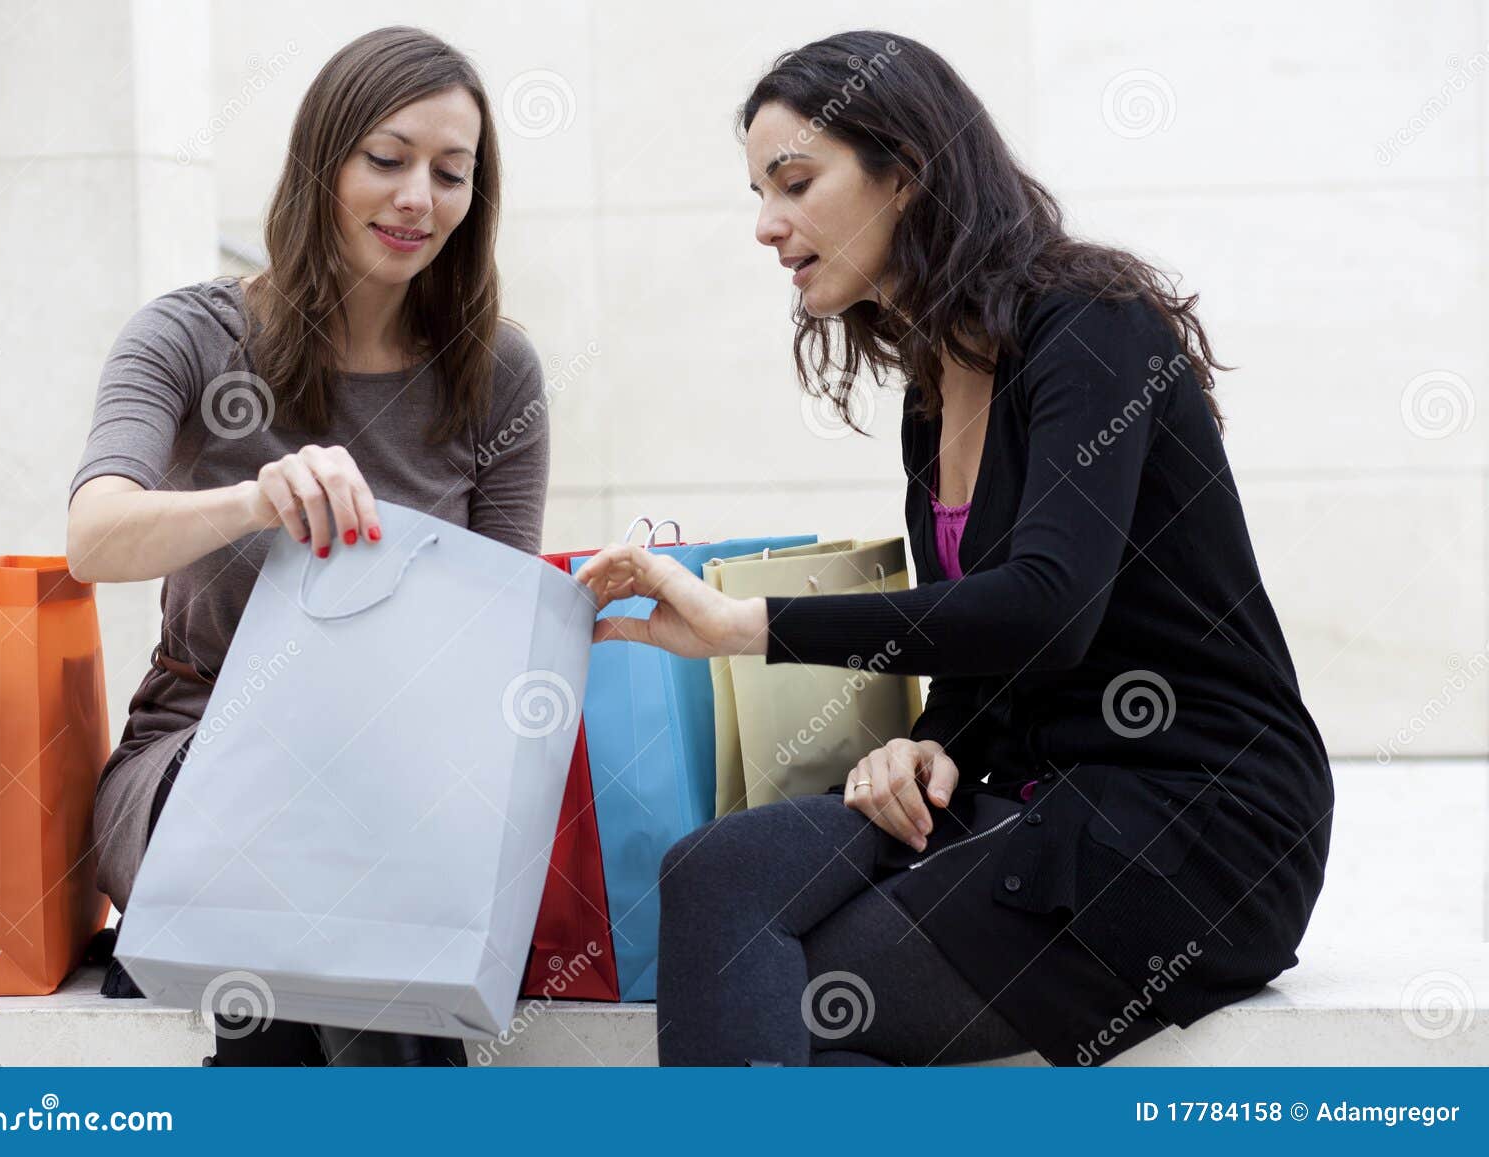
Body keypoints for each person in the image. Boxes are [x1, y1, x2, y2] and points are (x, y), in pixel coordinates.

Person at [574, 30, 1335, 1067]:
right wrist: (933, 739)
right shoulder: (933, 398)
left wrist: (743, 626)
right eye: (758, 191)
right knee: (714, 872)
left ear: (906, 172)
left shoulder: (1092, 329)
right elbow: (991, 652)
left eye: (794, 182)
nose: (765, 225)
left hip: (1189, 814)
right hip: (1025, 787)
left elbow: (1049, 605)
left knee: (805, 994)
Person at [66, 26, 548, 1066]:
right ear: (320, 164)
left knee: (354, 846)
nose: (419, 196)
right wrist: (253, 499)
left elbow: (505, 647)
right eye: (386, 159)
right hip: (194, 766)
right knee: (323, 842)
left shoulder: (496, 372)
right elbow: (95, 537)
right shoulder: (189, 337)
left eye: (451, 173)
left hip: (402, 787)